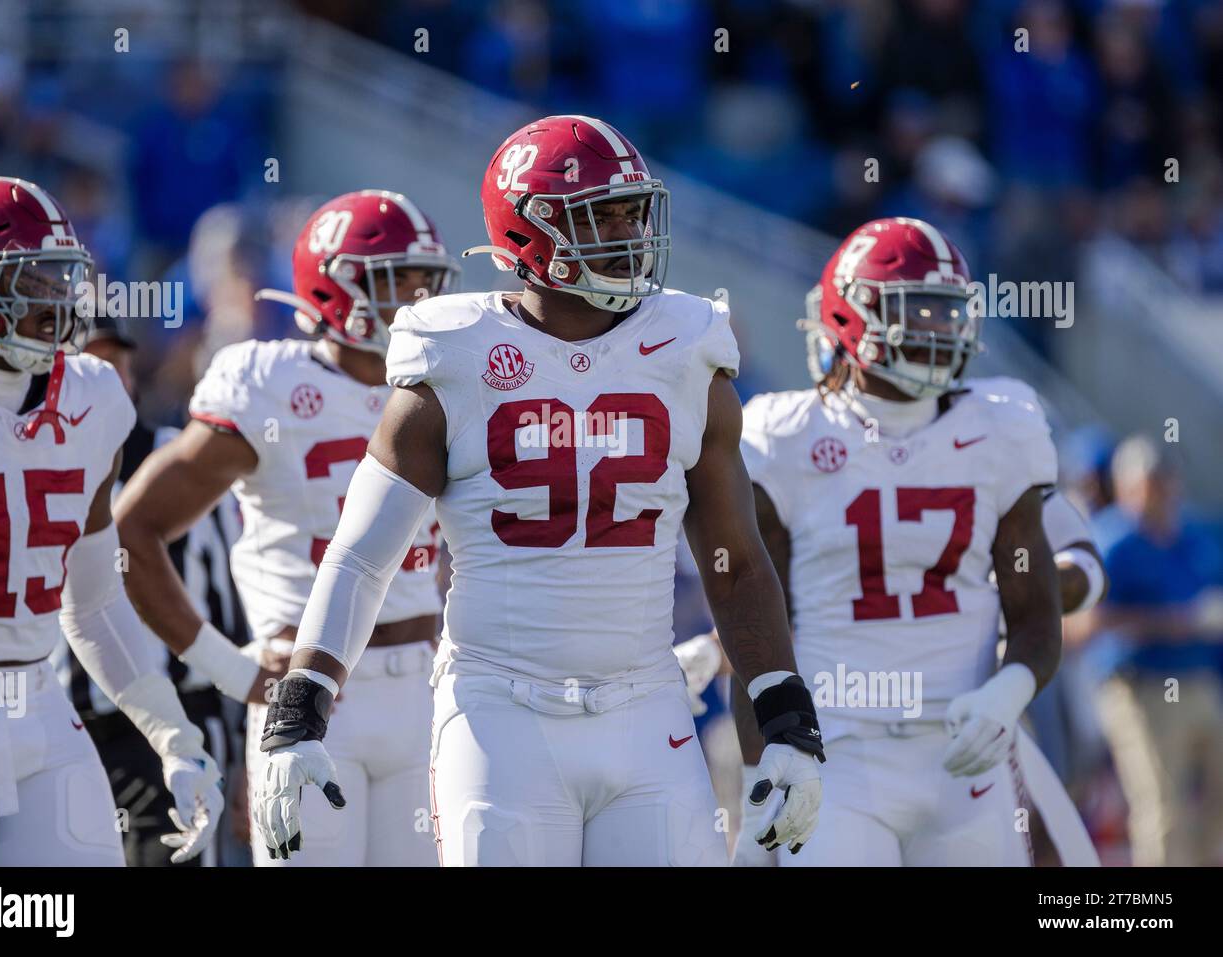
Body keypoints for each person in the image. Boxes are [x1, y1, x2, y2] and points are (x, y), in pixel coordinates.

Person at [251, 114, 826, 866]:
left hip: (646, 706)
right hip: (499, 715)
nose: (629, 233)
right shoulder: (454, 357)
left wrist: (786, 714)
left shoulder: (685, 353)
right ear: (531, 230)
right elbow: (362, 555)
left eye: (633, 212)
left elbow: (737, 561)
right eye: (603, 216)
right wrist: (301, 705)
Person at [114, 190, 457, 866]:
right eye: (399, 281)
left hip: (427, 686)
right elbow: (132, 533)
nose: (419, 300)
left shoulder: (448, 380)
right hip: (307, 691)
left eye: (428, 280)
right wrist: (228, 666)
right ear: (336, 289)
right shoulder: (268, 381)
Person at [730, 217, 1062, 866]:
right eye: (918, 310)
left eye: (948, 310)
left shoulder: (1001, 424)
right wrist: (754, 779)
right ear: (850, 315)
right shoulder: (785, 435)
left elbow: (1037, 612)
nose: (940, 329)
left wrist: (1008, 692)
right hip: (833, 748)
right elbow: (757, 631)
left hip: (965, 749)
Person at [0, 176, 222, 865]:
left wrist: (174, 736)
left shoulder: (94, 396)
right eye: (29, 280)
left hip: (38, 698)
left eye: (60, 277)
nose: (54, 299)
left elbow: (92, 602)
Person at [52, 313, 250, 866]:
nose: (109, 379)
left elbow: (235, 602)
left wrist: (249, 740)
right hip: (71, 725)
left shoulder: (177, 458)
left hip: (183, 715)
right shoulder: (36, 454)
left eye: (117, 364)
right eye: (92, 363)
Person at [1093, 434, 1223, 866]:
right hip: (1143, 688)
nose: (1165, 489)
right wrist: (1169, 621)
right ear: (1129, 486)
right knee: (1163, 805)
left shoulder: (1193, 536)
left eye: (1168, 479)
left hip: (1199, 681)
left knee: (1216, 797)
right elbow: (1084, 622)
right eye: (1154, 481)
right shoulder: (1114, 541)